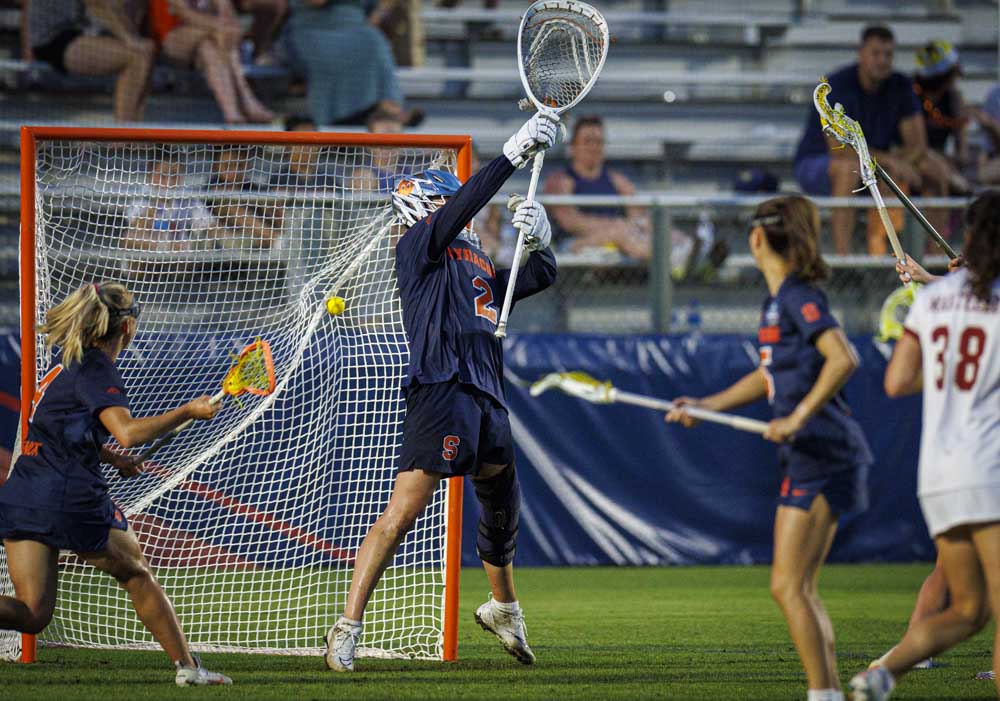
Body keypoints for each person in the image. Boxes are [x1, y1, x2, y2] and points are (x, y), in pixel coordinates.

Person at [322, 108, 560, 672]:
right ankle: (347, 626)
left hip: (485, 390)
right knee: (403, 512)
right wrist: (512, 153)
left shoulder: (472, 258)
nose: (456, 211)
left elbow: (536, 277)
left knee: (502, 508)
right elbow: (462, 207)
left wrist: (542, 241)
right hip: (442, 386)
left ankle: (504, 609)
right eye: (444, 202)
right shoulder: (417, 246)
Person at [666, 195, 873, 701]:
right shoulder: (777, 302)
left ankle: (823, 694)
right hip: (813, 454)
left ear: (758, 238)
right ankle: (826, 693)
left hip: (822, 451)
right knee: (798, 587)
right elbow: (769, 376)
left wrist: (798, 417)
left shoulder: (798, 297)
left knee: (788, 586)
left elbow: (843, 358)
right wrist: (706, 405)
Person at [0, 281, 230, 686]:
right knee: (136, 573)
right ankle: (189, 668)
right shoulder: (97, 368)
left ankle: (190, 667)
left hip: (25, 492)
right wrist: (188, 411)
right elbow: (127, 432)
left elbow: (59, 429)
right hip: (69, 496)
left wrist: (111, 458)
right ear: (126, 327)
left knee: (32, 613)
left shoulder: (65, 362)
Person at [849, 191, 1000, 700]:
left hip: (939, 474)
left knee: (969, 611)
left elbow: (897, 381)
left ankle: (885, 672)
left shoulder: (934, 301)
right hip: (990, 467)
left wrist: (937, 281)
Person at [793, 25, 927, 255]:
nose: (882, 61)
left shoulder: (900, 85)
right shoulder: (836, 86)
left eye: (888, 54)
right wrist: (891, 161)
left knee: (929, 167)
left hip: (869, 161)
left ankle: (930, 256)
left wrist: (899, 163)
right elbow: (839, 150)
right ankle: (844, 260)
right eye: (876, 53)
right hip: (818, 162)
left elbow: (917, 143)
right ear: (861, 54)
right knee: (850, 169)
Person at [288, 0, 422, 127]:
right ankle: (341, 112)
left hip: (357, 28)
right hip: (318, 28)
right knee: (366, 42)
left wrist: (377, 15)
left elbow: (375, 12)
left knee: (374, 41)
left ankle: (389, 108)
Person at [543, 115, 652, 261]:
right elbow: (570, 222)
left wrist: (634, 226)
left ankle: (669, 254)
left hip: (619, 241)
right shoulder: (561, 180)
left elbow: (638, 217)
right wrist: (615, 226)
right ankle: (663, 260)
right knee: (619, 233)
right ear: (573, 147)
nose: (594, 147)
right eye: (588, 141)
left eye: (599, 142)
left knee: (659, 231)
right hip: (573, 244)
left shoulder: (617, 180)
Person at [25, 0, 155, 122]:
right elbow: (96, 5)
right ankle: (124, 133)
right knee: (135, 58)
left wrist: (133, 38)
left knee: (145, 53)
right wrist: (129, 39)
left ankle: (135, 129)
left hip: (77, 32)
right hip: (52, 38)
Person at [149, 0, 275, 123]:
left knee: (208, 47)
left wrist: (228, 27)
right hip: (172, 36)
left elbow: (228, 15)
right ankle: (246, 101)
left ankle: (232, 111)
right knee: (215, 37)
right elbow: (184, 14)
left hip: (207, 39)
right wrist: (219, 27)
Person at [911, 40, 972, 242]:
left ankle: (944, 240)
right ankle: (933, 244)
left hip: (942, 159)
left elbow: (963, 154)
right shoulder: (911, 96)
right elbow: (912, 146)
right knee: (937, 172)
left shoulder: (953, 99)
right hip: (912, 158)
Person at [124, 147, 216, 253]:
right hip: (150, 254)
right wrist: (155, 204)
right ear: (150, 174)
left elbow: (210, 226)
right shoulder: (142, 195)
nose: (169, 182)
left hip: (181, 255)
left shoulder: (186, 196)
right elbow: (134, 232)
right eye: (163, 175)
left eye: (174, 175)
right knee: (130, 238)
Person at [207, 146, 283, 249]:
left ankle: (277, 240)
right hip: (222, 242)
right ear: (216, 166)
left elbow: (271, 215)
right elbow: (233, 212)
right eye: (228, 166)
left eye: (239, 165)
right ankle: (276, 240)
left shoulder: (250, 187)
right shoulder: (212, 188)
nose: (234, 171)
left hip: (254, 240)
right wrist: (269, 235)